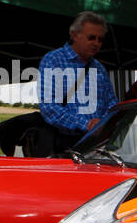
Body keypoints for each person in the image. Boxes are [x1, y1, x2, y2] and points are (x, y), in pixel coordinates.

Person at [37, 11, 118, 151]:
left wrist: (102, 125)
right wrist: (87, 125)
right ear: (75, 35)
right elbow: (49, 107)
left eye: (100, 39)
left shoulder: (99, 68)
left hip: (95, 143)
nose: (96, 43)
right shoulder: (54, 60)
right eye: (91, 37)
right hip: (65, 144)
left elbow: (111, 104)